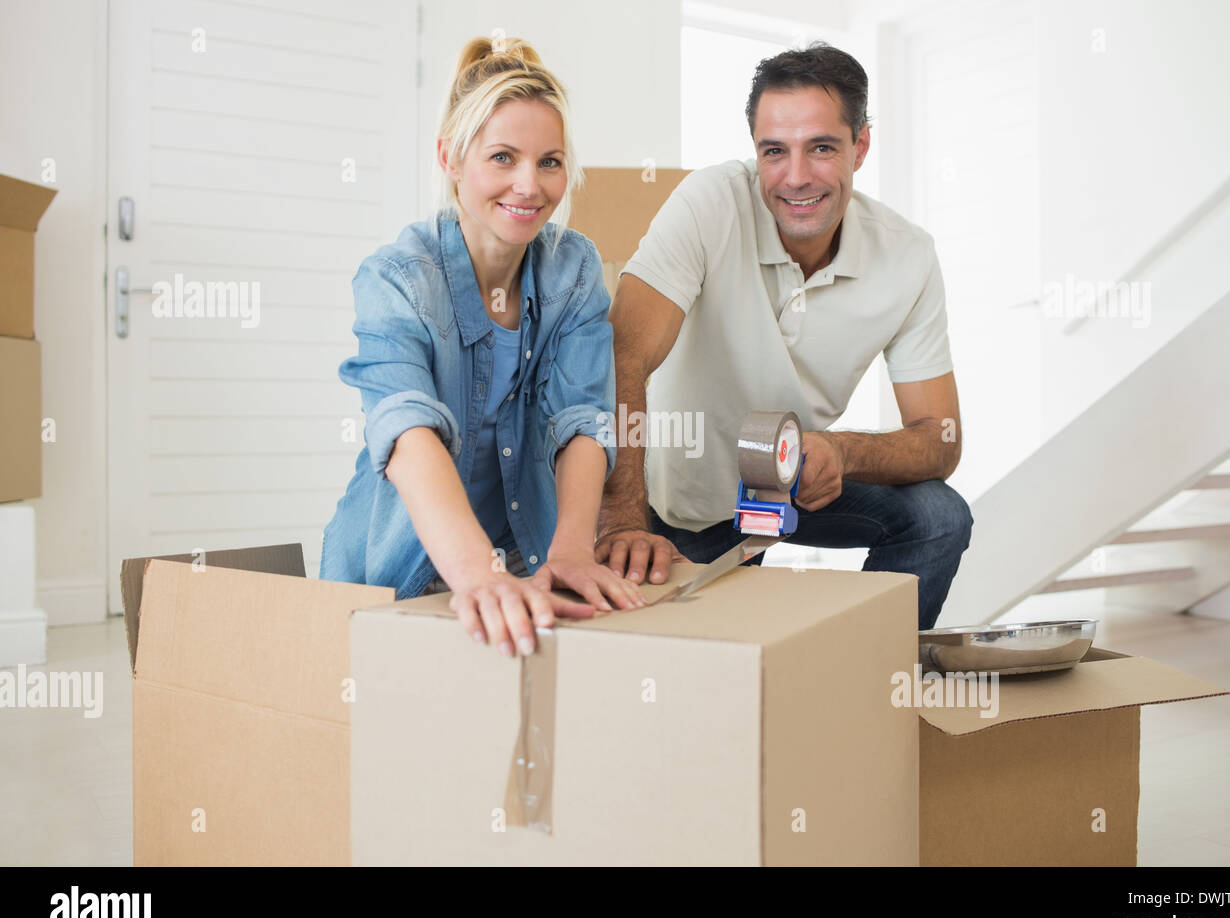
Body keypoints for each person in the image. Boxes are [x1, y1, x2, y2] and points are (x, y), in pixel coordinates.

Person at [595, 42, 972, 630]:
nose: (796, 178)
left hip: (785, 487)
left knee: (939, 516)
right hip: (672, 505)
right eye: (775, 151)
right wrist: (620, 519)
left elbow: (940, 439)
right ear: (755, 151)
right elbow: (624, 354)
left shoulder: (908, 256)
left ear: (861, 146)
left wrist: (841, 452)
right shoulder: (708, 203)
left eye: (821, 148)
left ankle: (859, 679)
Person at [321, 36, 643, 657]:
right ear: (451, 157)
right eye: (503, 158)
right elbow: (407, 429)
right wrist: (476, 573)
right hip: (398, 578)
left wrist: (571, 552)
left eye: (550, 161)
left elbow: (583, 420)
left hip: (523, 568)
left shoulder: (572, 268)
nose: (530, 185)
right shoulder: (397, 277)